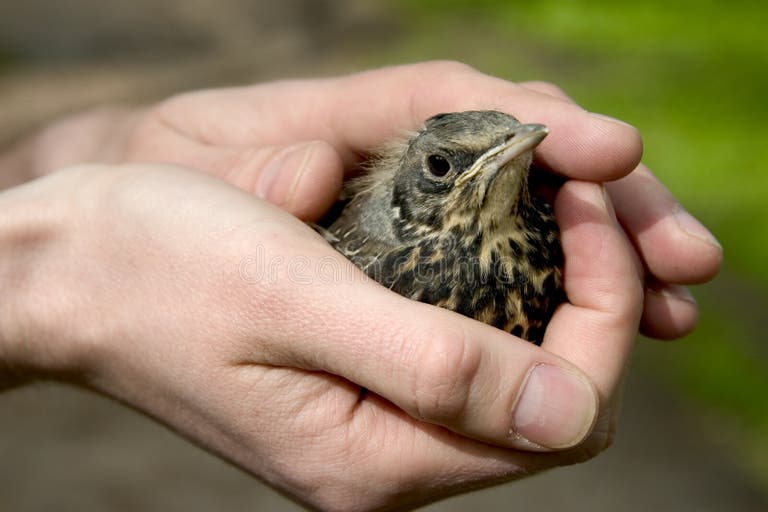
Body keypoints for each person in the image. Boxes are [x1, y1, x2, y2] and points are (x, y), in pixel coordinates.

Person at [0, 62, 722, 511]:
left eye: (511, 149)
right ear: (411, 187)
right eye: (444, 167)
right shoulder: (366, 256)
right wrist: (55, 279)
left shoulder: (547, 226)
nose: (512, 157)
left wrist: (94, 159)